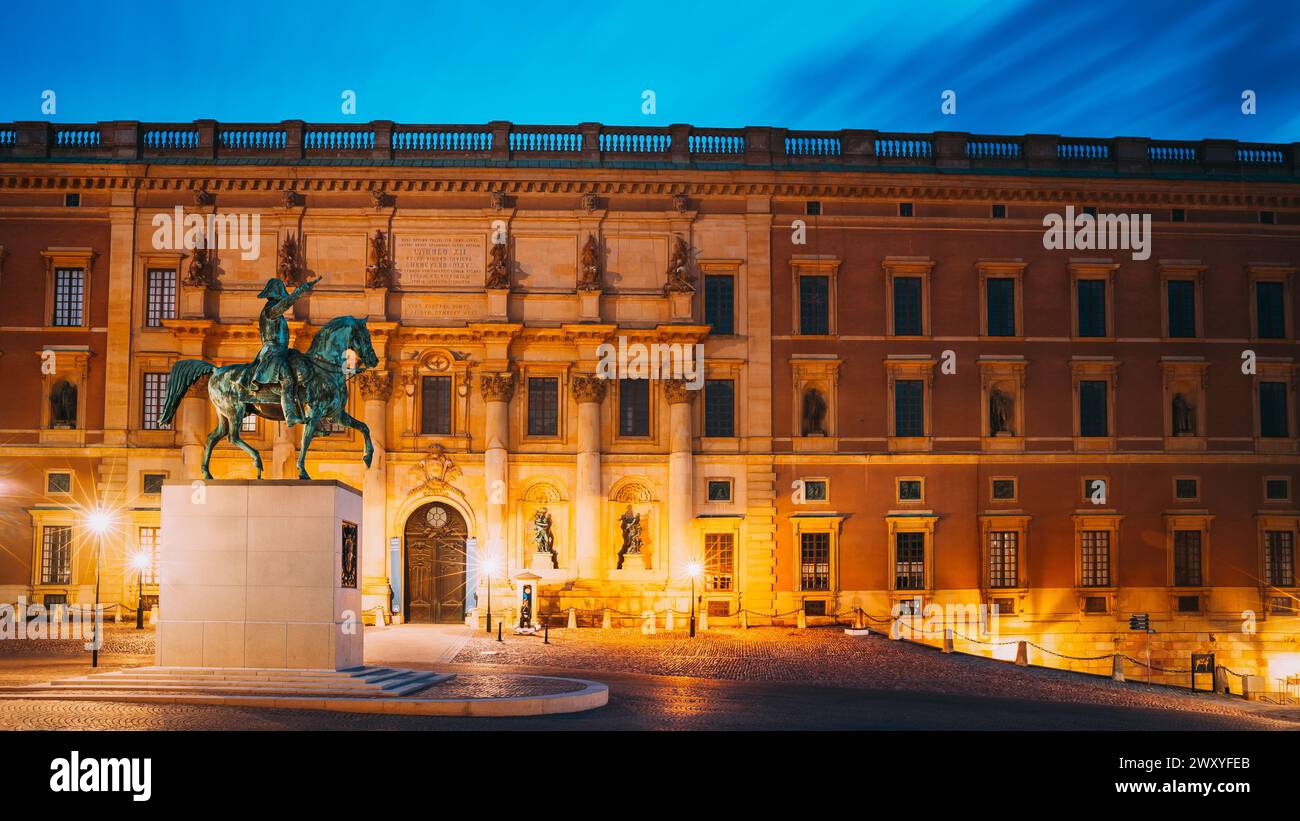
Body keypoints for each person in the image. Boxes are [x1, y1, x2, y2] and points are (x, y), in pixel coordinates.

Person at [240, 276, 319, 425]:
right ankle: (289, 415)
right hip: (273, 352)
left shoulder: (274, 311)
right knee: (288, 379)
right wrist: (300, 290)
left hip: (282, 351)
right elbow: (285, 304)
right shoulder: (270, 310)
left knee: (302, 370)